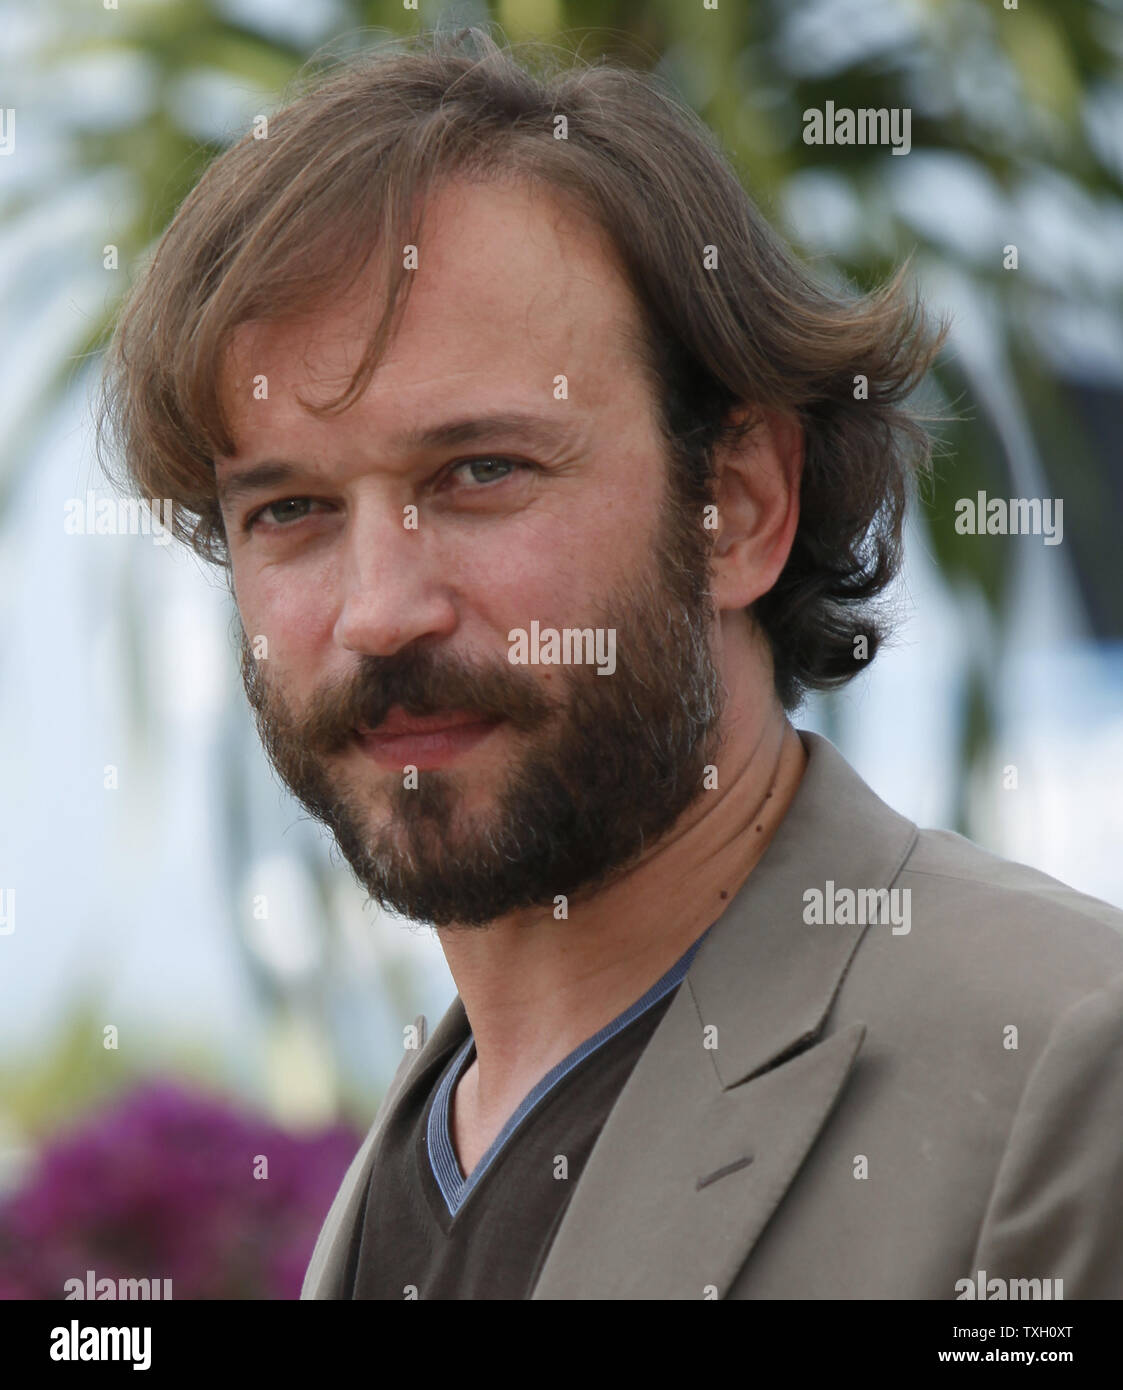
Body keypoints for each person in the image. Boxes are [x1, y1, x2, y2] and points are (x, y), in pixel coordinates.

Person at [97, 27, 1123, 1299]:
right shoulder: (409, 1171)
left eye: (479, 474)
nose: (379, 611)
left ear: (739, 505)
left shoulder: (1065, 1073)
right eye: (290, 510)